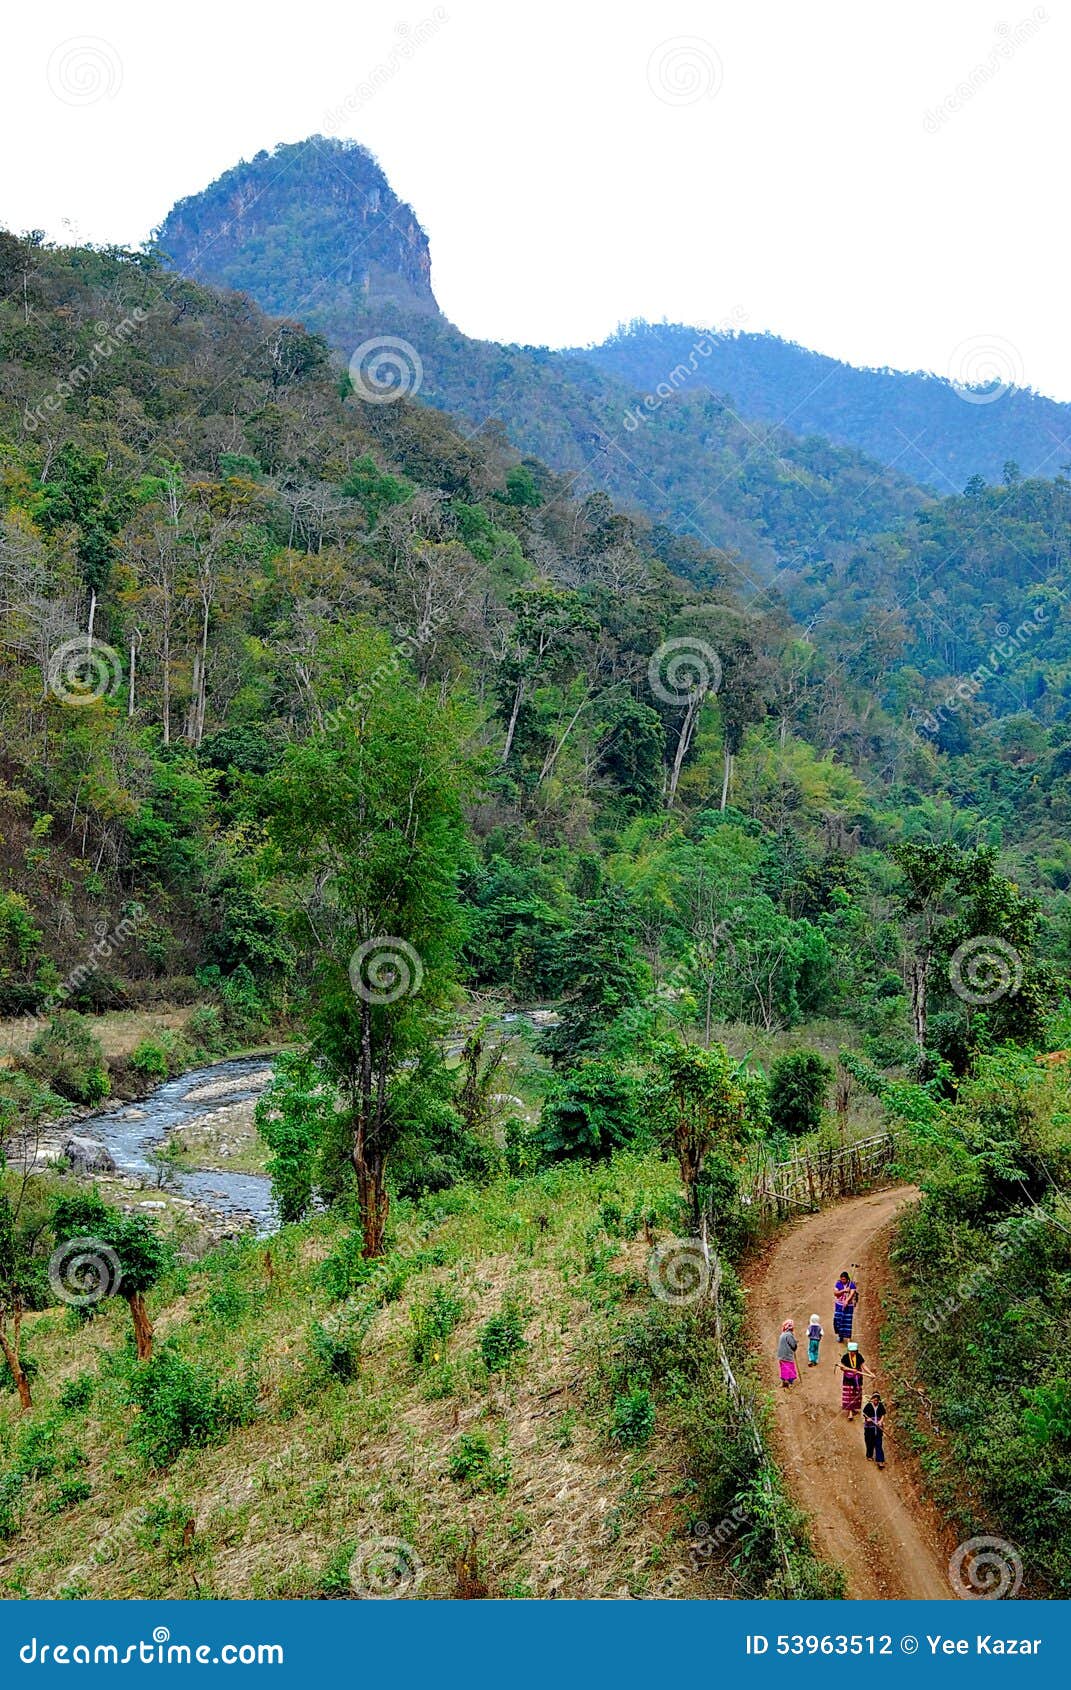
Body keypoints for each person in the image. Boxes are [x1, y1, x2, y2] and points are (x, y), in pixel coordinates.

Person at [836, 1340, 874, 1419]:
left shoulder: (859, 1356)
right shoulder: (845, 1357)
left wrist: (870, 1373)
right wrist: (850, 1370)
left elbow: (863, 1366)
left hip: (858, 1377)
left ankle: (853, 1408)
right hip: (848, 1378)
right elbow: (842, 1368)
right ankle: (850, 1412)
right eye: (851, 1351)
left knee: (856, 1393)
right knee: (849, 1394)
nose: (852, 1353)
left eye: (854, 1351)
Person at [833, 1269, 858, 1342]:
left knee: (847, 1321)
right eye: (841, 1279)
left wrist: (847, 1301)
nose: (842, 1280)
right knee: (838, 1320)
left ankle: (848, 1338)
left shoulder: (851, 1284)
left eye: (844, 1279)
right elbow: (835, 1293)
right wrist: (844, 1290)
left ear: (847, 1279)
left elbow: (852, 1293)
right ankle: (840, 1336)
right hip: (839, 1305)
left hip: (848, 1306)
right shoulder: (838, 1283)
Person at [863, 1392, 886, 1468]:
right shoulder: (868, 1406)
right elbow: (864, 1414)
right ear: (872, 1399)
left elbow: (883, 1414)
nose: (876, 1402)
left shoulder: (880, 1406)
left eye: (877, 1400)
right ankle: (869, 1455)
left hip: (878, 1428)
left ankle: (880, 1461)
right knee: (869, 1442)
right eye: (874, 1400)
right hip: (869, 1428)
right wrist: (867, 1419)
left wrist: (880, 1421)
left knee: (878, 1443)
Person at [776, 1319, 798, 1387]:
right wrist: (795, 1346)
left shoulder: (782, 1334)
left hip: (781, 1355)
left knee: (783, 1368)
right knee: (789, 1368)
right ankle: (790, 1382)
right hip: (787, 1355)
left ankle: (784, 1381)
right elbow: (793, 1345)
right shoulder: (789, 1335)